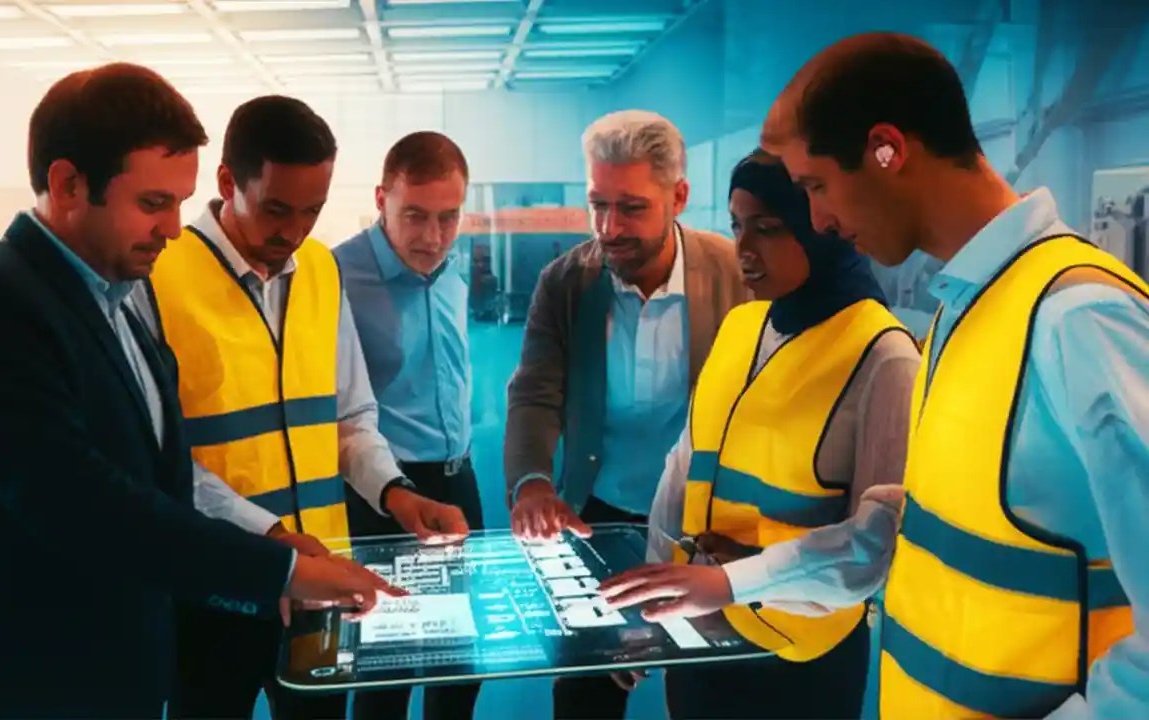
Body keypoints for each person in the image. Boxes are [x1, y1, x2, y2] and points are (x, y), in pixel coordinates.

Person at [601, 31, 1149, 719]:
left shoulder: (1080, 318)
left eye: (817, 187)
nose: (822, 220)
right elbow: (888, 535)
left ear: (887, 150)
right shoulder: (968, 313)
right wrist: (729, 584)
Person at [0, 64, 398, 718]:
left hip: (115, 676)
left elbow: (160, 478)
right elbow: (84, 506)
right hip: (11, 684)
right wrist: (279, 569)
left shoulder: (120, 304)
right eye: (154, 204)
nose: (175, 228)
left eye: (180, 203)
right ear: (68, 183)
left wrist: (272, 539)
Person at [128, 96, 469, 720]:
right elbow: (160, 462)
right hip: (217, 584)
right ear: (228, 182)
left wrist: (395, 493)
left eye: (312, 210)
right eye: (276, 208)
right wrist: (275, 544)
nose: (294, 231)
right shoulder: (156, 278)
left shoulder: (318, 269)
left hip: (323, 586)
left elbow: (350, 420)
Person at [604, 149, 919, 719]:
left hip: (799, 663)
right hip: (704, 642)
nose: (744, 249)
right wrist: (650, 607)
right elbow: (682, 472)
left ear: (821, 227)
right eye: (736, 226)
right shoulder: (744, 325)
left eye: (768, 228)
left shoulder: (883, 355)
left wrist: (728, 582)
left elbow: (872, 549)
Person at [504, 109, 749, 719]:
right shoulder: (566, 283)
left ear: (680, 196)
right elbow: (536, 392)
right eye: (598, 205)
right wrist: (533, 482)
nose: (609, 228)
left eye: (631, 208)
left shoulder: (737, 276)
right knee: (587, 690)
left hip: (704, 522)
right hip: (601, 514)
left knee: (705, 689)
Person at [334, 131, 483, 720]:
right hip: (383, 492)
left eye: (448, 217)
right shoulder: (335, 275)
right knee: (385, 671)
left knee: (459, 667)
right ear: (381, 199)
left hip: (458, 480)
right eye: (415, 216)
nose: (433, 236)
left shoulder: (452, 267)